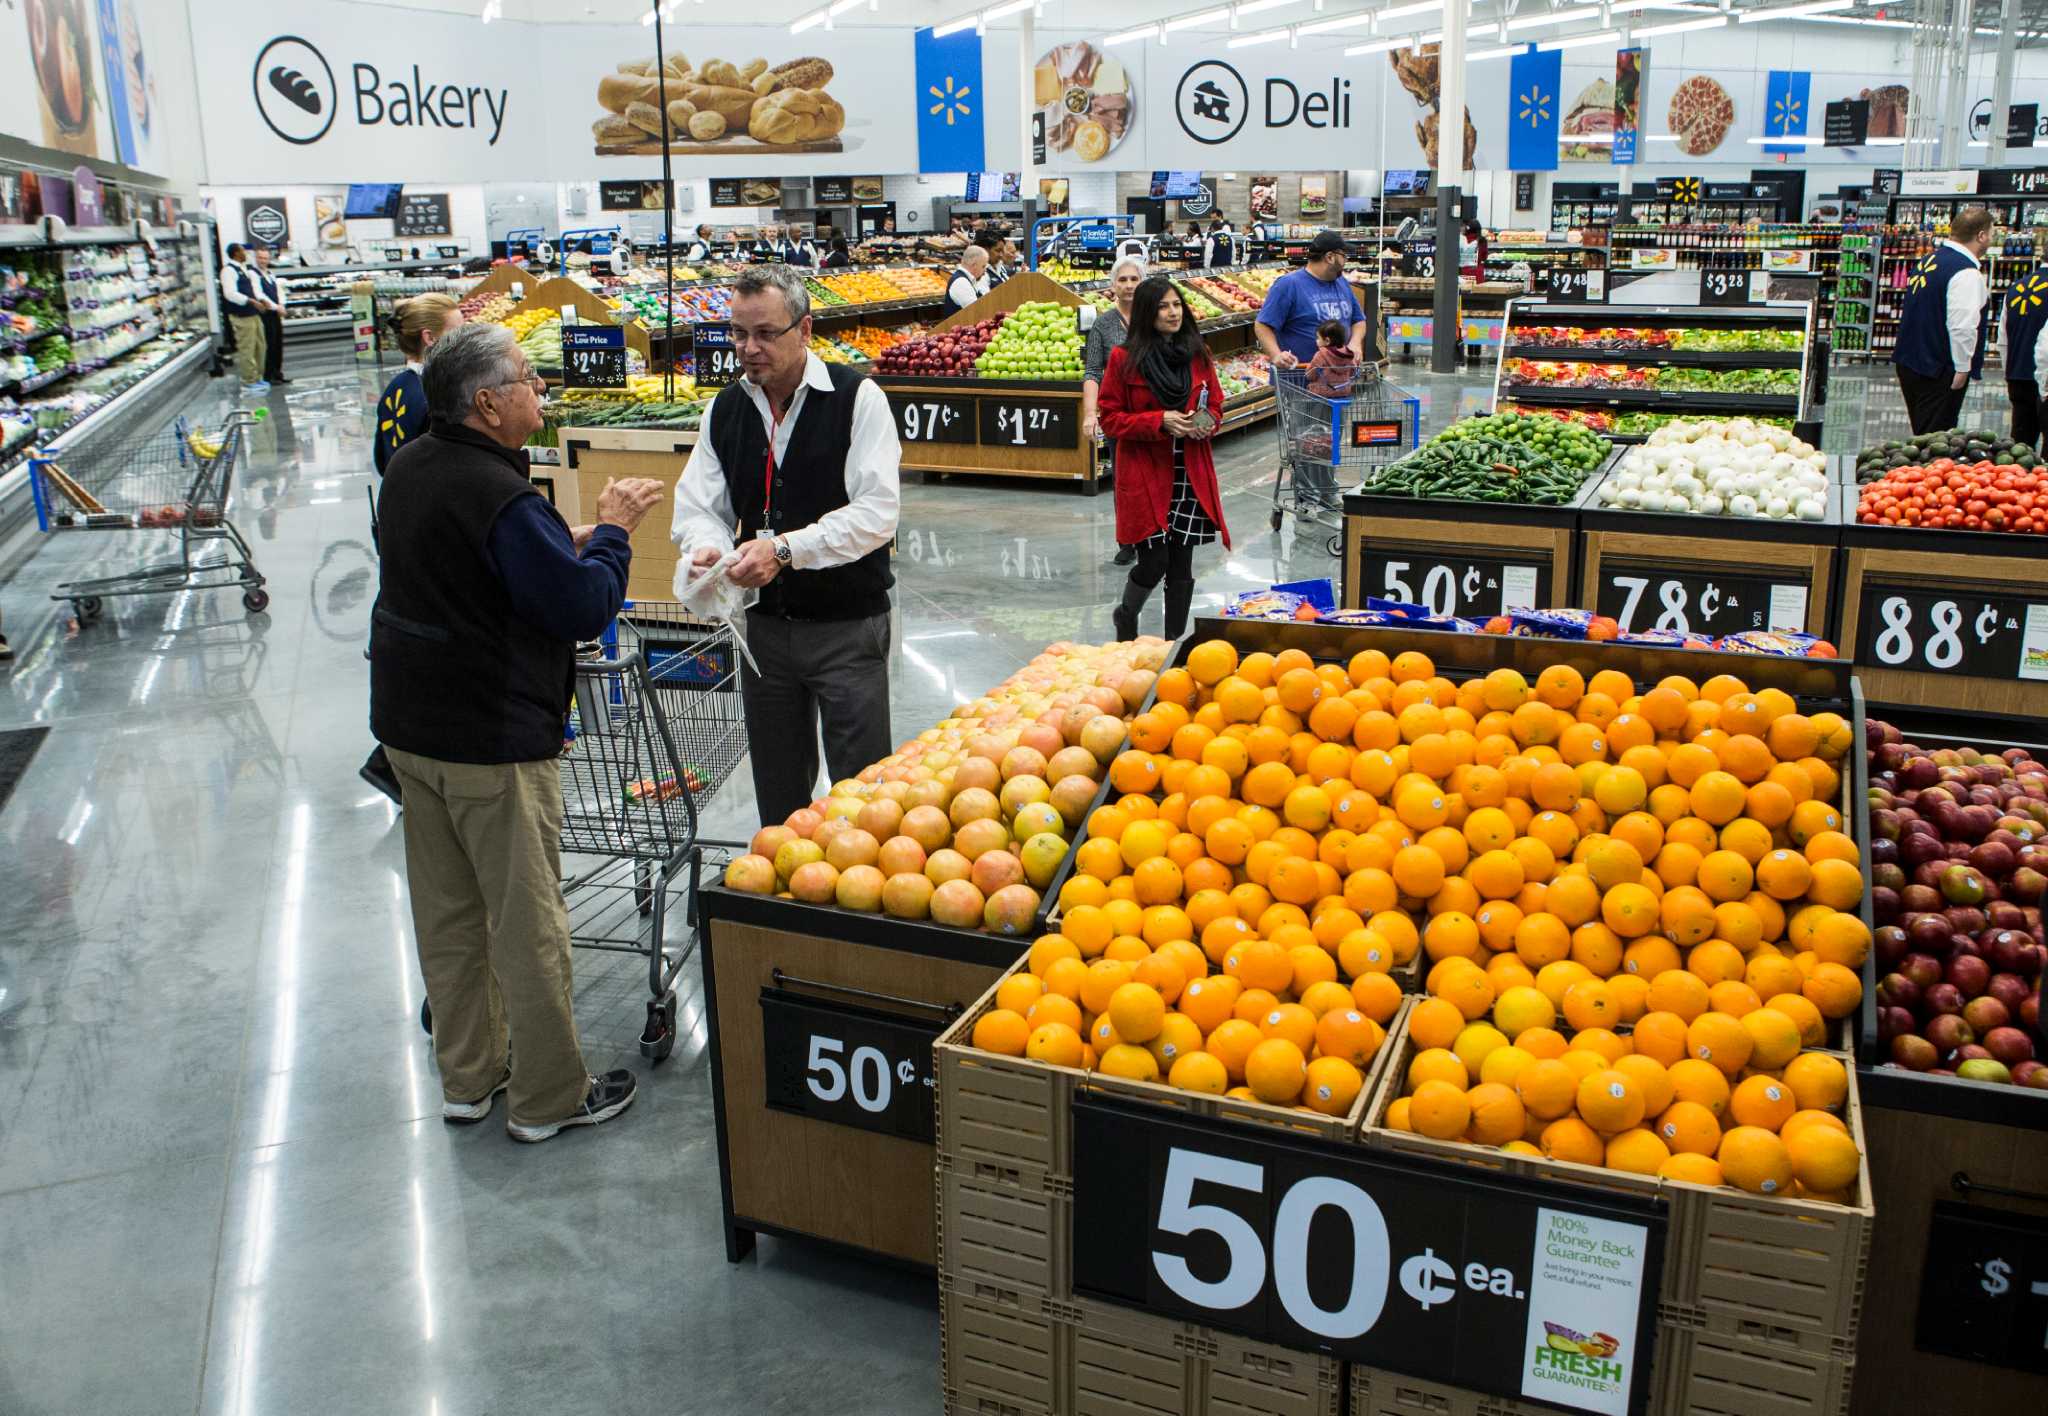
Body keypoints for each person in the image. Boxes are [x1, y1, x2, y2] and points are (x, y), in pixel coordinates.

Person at [370, 321, 665, 1142]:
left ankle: (469, 1079)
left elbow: (461, 566)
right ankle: (548, 1098)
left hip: (410, 730)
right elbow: (580, 608)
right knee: (527, 924)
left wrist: (553, 544)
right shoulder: (498, 493)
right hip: (488, 740)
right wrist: (612, 532)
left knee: (449, 918)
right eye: (527, 379)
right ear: (489, 404)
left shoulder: (412, 466)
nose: (540, 389)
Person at [672, 264, 902, 825]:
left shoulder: (857, 398)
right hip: (765, 633)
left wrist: (784, 550)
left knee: (863, 796)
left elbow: (877, 513)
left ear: (805, 329)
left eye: (765, 334)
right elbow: (701, 506)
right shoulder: (725, 409)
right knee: (778, 790)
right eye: (738, 333)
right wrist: (707, 548)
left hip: (847, 625)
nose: (749, 349)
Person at [359, 293, 468, 804]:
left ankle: (395, 761)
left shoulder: (396, 389)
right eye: (457, 328)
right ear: (430, 337)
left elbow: (383, 459)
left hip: (399, 524)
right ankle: (391, 763)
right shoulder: (434, 395)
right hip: (431, 531)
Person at [1100, 276, 1230, 643]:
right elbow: (1110, 418)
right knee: (1154, 561)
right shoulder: (1124, 358)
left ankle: (1174, 643)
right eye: (1163, 307)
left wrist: (1204, 425)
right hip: (1146, 473)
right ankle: (1127, 614)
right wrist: (1159, 421)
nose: (1173, 313)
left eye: (1176, 305)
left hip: (1189, 471)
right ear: (1147, 312)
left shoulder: (1198, 353)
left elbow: (1215, 404)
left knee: (1181, 564)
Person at [1255, 230, 1367, 517]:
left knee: (1330, 438)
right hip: (1301, 379)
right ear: (1330, 257)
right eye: (1344, 254)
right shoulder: (1289, 285)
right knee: (1307, 439)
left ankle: (1327, 492)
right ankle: (1307, 497)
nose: (1347, 259)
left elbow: (1359, 321)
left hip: (1338, 382)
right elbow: (1263, 325)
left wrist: (1355, 343)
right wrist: (1276, 354)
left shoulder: (1341, 284)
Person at [1893, 206, 1993, 435]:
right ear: (1981, 236)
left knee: (1922, 432)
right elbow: (1962, 325)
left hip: (1911, 360)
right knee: (1936, 438)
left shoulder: (1929, 260)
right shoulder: (1966, 272)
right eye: (1991, 233)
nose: (1991, 239)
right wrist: (1963, 368)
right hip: (1939, 367)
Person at [1083, 255, 1147, 568]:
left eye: (1134, 279)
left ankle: (1152, 535)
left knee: (1152, 475)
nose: (1129, 285)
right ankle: (1127, 540)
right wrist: (1089, 414)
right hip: (1119, 415)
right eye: (1122, 280)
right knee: (1123, 479)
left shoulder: (1156, 318)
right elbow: (1093, 371)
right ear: (1113, 285)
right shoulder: (1103, 324)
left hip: (1153, 412)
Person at [2005, 263, 2048, 450]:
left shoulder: (2016, 287)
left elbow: (2003, 338)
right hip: (2044, 381)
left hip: (2018, 375)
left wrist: (2010, 369)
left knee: (2020, 445)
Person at [221, 243, 272, 396]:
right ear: (236, 253)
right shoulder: (228, 271)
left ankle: (257, 377)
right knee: (247, 348)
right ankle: (248, 381)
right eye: (243, 251)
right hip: (241, 316)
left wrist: (261, 301)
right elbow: (230, 294)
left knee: (260, 346)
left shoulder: (245, 269)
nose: (246, 254)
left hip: (253, 314)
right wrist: (250, 301)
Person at [252, 246, 289, 386]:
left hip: (276, 314)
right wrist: (276, 307)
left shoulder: (270, 274)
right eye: (260, 258)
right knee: (268, 345)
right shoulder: (253, 274)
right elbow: (258, 294)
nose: (263, 261)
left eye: (265, 258)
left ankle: (277, 373)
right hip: (265, 314)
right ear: (256, 258)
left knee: (277, 344)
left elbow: (279, 291)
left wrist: (282, 305)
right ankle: (268, 375)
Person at [1306, 319, 1361, 398]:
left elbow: (1310, 375)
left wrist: (1308, 368)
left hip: (1322, 394)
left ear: (1327, 341)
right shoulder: (1348, 354)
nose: (1316, 340)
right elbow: (1352, 372)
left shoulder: (1320, 355)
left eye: (1318, 338)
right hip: (1343, 392)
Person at [945, 245, 990, 316]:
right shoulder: (961, 282)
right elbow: (977, 312)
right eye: (983, 266)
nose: (985, 271)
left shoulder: (969, 279)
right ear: (974, 265)